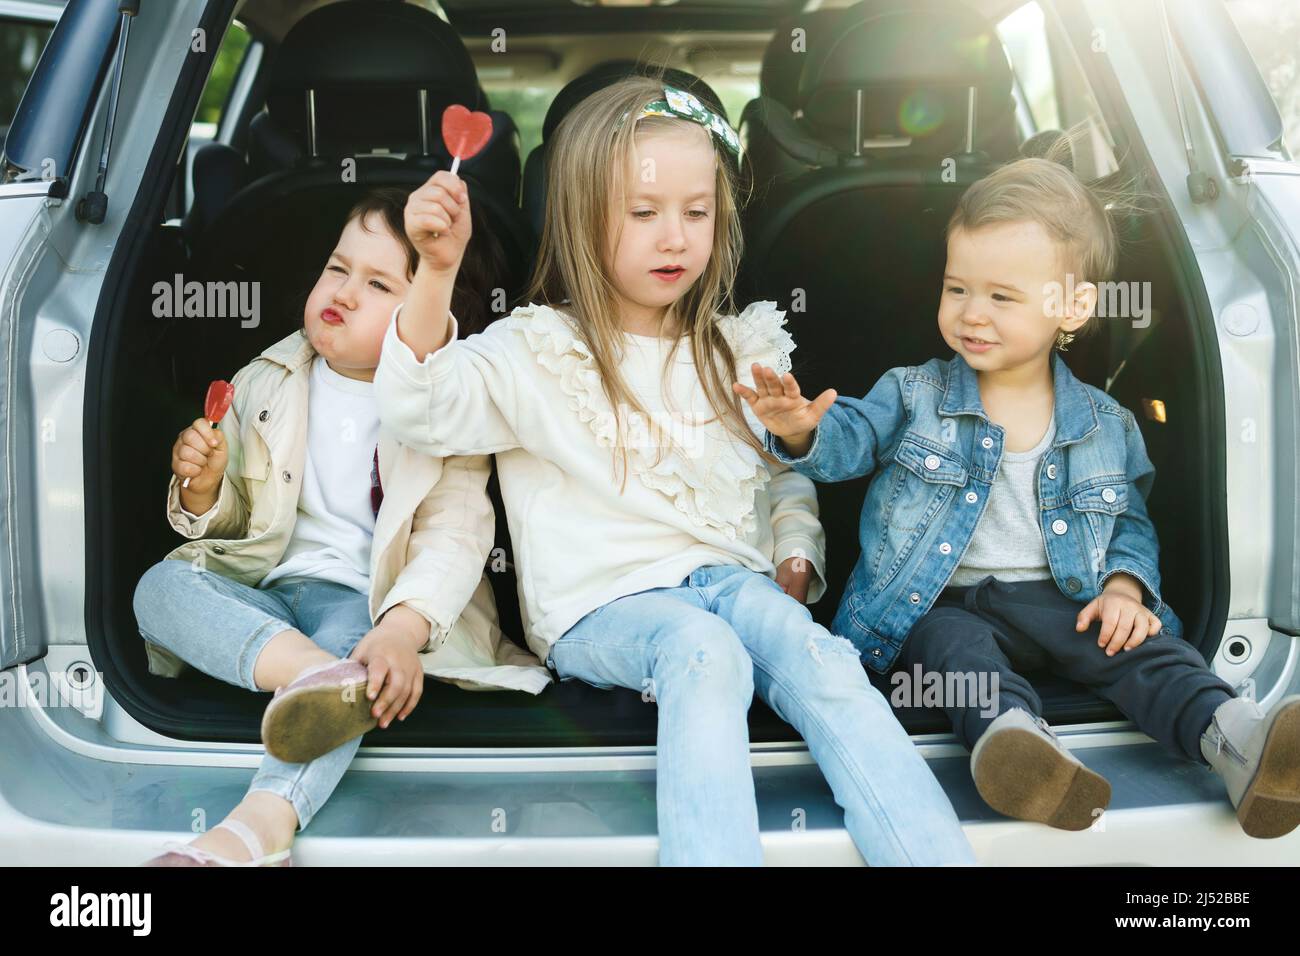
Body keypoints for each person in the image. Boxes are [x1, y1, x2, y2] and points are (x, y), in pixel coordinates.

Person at [373, 75, 977, 865]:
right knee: (704, 650)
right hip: (599, 606)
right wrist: (434, 272)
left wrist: (798, 550)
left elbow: (778, 476)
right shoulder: (535, 349)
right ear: (585, 219)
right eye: (645, 213)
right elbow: (419, 405)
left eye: (698, 214)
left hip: (731, 582)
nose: (675, 238)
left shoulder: (737, 347)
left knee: (820, 657)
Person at [740, 152, 1300, 838]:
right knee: (959, 656)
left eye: (1002, 297)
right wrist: (804, 432)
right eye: (956, 289)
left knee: (1142, 651)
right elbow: (849, 442)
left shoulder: (1105, 423)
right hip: (937, 601)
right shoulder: (913, 393)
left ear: (1073, 307)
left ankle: (1240, 740)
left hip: (1058, 600)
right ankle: (1018, 748)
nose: (972, 314)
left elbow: (1129, 522)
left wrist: (1126, 588)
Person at [132, 188, 497, 865]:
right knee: (157, 589)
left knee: (359, 642)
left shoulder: (446, 414)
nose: (346, 291)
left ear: (433, 312)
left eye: (379, 283)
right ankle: (322, 680)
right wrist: (203, 486)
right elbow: (234, 523)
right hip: (266, 590)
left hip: (368, 603)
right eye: (338, 268)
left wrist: (399, 631)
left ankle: (251, 832)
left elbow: (457, 537)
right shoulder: (267, 378)